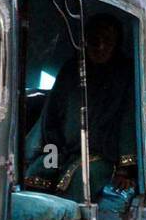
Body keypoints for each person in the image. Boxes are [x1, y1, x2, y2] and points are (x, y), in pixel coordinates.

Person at [24, 13, 136, 200]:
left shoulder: (124, 74)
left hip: (103, 155)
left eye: (107, 41)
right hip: (62, 150)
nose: (100, 47)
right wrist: (50, 147)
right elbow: (51, 114)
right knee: (36, 174)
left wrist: (125, 170)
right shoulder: (71, 70)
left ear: (116, 43)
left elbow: (128, 122)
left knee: (77, 179)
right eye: (94, 40)